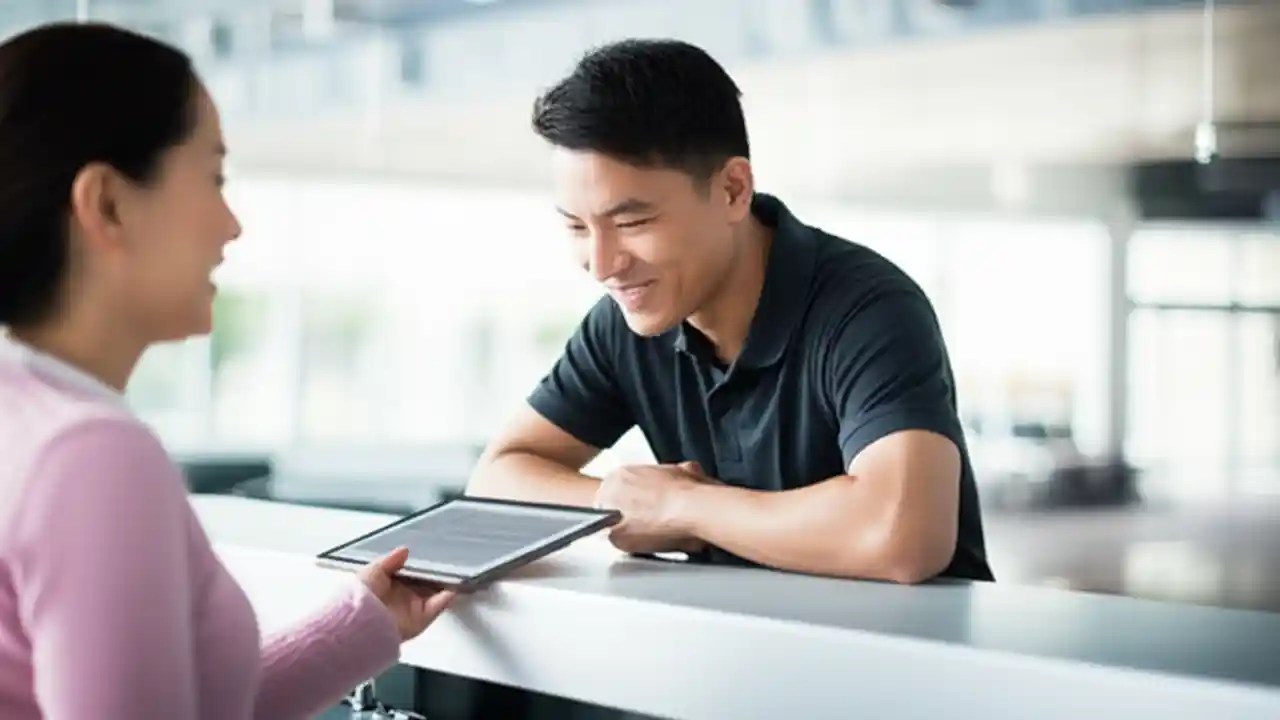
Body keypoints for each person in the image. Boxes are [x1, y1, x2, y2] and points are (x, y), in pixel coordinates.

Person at [0, 23, 454, 718]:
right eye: (213, 177)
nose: (231, 224)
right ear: (109, 204)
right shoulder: (91, 456)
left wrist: (362, 624)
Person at [467, 39, 994, 584]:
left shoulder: (867, 308)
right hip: (746, 659)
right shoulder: (625, 320)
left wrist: (686, 509)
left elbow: (903, 536)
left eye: (631, 223)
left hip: (913, 662)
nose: (602, 264)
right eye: (577, 226)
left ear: (733, 191)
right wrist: (622, 504)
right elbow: (498, 479)